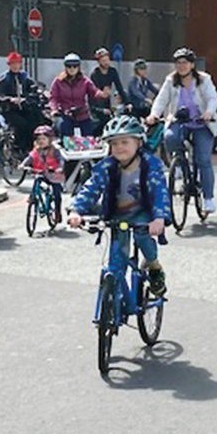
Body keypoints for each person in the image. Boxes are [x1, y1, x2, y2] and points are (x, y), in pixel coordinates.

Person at [67, 116, 170, 300]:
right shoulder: (107, 167)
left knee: (143, 239)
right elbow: (90, 189)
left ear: (139, 143)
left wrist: (159, 218)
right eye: (114, 144)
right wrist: (76, 210)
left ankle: (154, 266)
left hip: (142, 214)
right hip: (118, 216)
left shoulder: (150, 166)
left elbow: (160, 193)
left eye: (125, 142)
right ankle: (113, 298)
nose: (119, 147)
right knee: (117, 258)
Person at [149, 47, 217, 218]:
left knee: (203, 160)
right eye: (178, 63)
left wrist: (209, 112)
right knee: (169, 137)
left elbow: (212, 98)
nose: (181, 66)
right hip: (180, 121)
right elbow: (161, 100)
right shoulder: (170, 80)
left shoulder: (204, 79)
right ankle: (179, 164)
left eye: (185, 63)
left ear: (192, 65)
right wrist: (154, 115)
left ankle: (208, 198)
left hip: (202, 123)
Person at [0, 51, 45, 155]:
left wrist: (31, 97)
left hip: (25, 108)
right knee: (21, 124)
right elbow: (0, 96)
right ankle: (20, 147)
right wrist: (10, 99)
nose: (15, 66)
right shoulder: (4, 79)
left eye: (17, 63)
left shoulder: (25, 78)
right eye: (13, 63)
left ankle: (35, 146)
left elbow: (33, 90)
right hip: (10, 110)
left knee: (36, 119)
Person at [49, 53, 97, 140]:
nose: (72, 69)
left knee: (89, 135)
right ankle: (65, 145)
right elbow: (53, 97)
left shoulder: (85, 81)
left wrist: (102, 94)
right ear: (65, 67)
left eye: (75, 66)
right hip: (66, 114)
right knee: (64, 129)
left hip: (82, 114)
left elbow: (94, 92)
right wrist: (54, 110)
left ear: (78, 67)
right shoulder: (58, 81)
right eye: (69, 66)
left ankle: (88, 147)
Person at [87, 49, 123, 123]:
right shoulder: (95, 74)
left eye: (107, 60)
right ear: (99, 62)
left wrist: (127, 102)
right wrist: (101, 109)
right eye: (103, 61)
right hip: (97, 105)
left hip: (107, 101)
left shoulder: (112, 71)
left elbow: (119, 87)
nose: (106, 63)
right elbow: (93, 93)